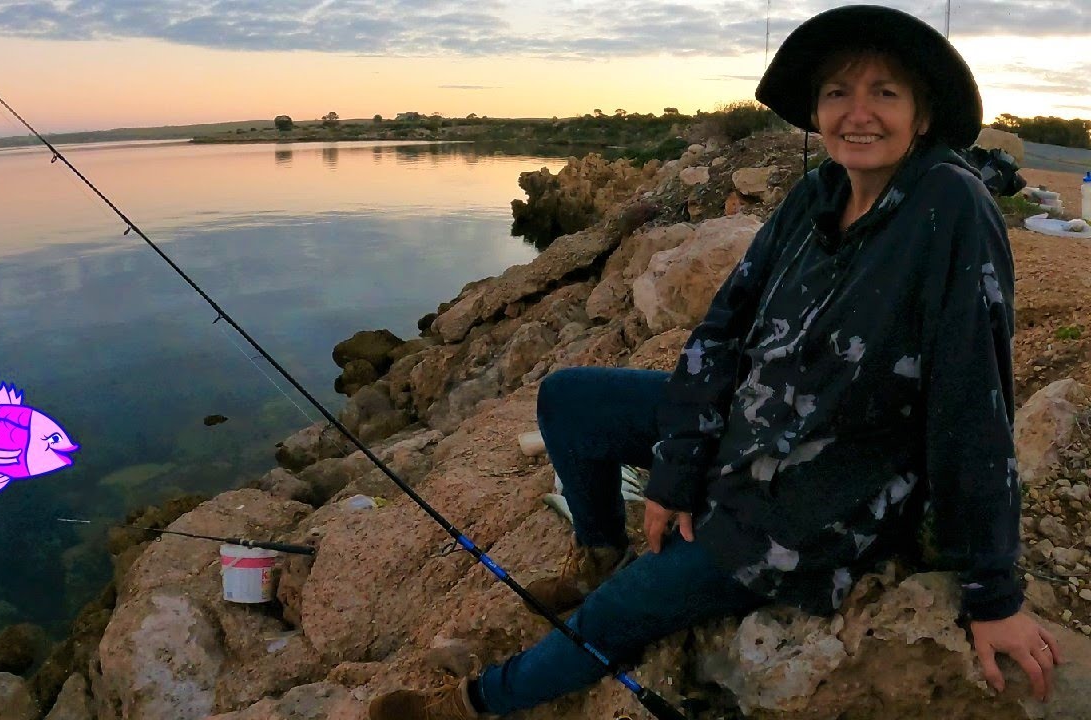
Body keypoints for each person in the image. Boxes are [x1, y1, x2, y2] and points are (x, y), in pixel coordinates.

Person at [368, 6, 1062, 718]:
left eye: (884, 92)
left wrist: (993, 595)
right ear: (817, 111)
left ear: (922, 115)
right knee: (569, 399)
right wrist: (678, 464)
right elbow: (722, 331)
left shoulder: (951, 206)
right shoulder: (817, 194)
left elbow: (973, 401)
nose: (858, 113)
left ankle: (476, 702)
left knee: (623, 610)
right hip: (744, 429)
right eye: (837, 93)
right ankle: (599, 554)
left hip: (818, 497)